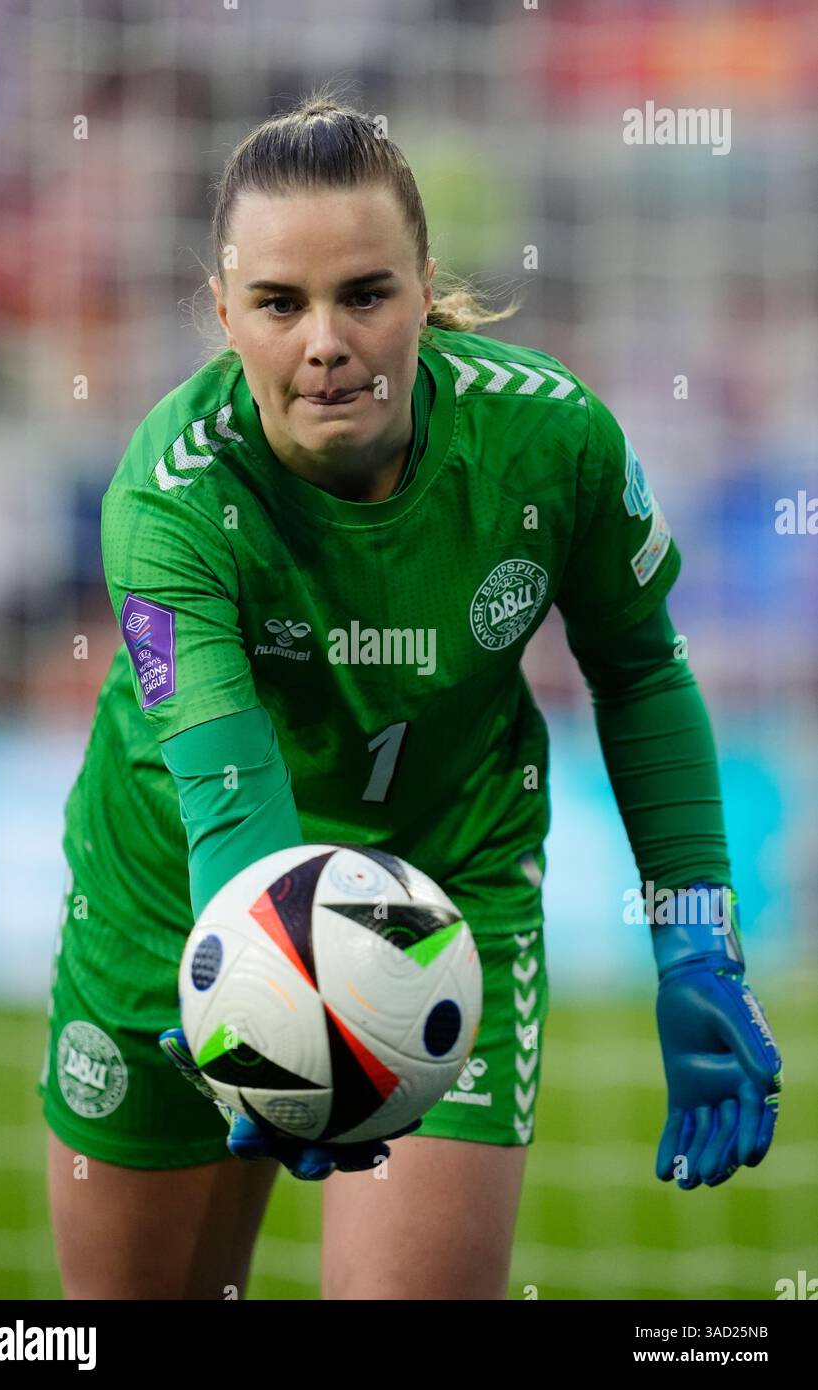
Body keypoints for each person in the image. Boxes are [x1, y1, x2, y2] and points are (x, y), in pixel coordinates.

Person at [39, 88, 782, 1301]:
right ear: (224, 313)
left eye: (364, 294)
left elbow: (643, 670)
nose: (324, 340)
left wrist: (696, 941)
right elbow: (234, 797)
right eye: (279, 304)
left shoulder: (552, 444)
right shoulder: (170, 499)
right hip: (179, 898)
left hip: (445, 890)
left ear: (426, 290)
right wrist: (274, 1005)